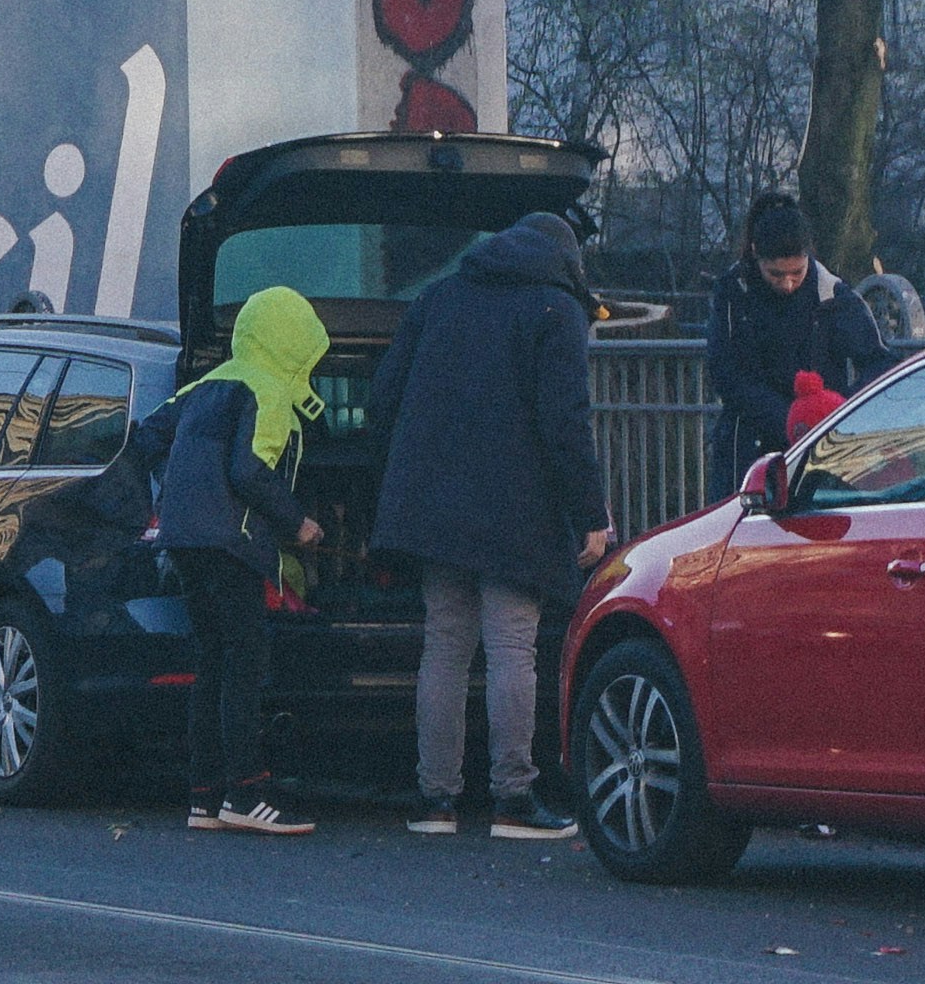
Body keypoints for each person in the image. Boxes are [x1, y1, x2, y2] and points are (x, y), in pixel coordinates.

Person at [374, 213, 613, 838]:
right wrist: (591, 514)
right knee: (512, 649)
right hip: (514, 509)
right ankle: (512, 798)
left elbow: (384, 397)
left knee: (444, 647)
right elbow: (567, 422)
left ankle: (436, 802)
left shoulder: (439, 295)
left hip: (432, 504)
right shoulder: (555, 310)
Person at [153, 283, 332, 835]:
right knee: (244, 666)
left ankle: (203, 797)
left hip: (183, 539)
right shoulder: (269, 389)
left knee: (210, 664)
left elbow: (150, 434)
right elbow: (250, 469)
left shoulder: (206, 384)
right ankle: (247, 792)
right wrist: (297, 523)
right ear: (292, 344)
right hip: (230, 542)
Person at [705, 191, 892, 501]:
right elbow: (725, 373)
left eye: (796, 273)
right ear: (755, 254)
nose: (788, 283)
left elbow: (879, 362)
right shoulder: (732, 292)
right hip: (747, 446)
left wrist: (837, 410)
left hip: (818, 445)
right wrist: (789, 418)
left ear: (809, 257)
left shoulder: (831, 294)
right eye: (776, 274)